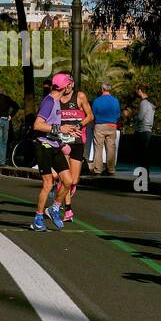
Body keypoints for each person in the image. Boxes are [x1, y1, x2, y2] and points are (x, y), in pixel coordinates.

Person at [30, 74, 80, 230]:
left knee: (68, 181)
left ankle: (55, 208)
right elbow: (37, 125)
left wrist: (66, 133)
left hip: (55, 145)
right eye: (69, 85)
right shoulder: (49, 102)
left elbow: (53, 126)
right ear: (64, 87)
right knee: (48, 184)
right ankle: (38, 219)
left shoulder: (57, 101)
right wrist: (60, 129)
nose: (70, 88)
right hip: (44, 146)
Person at [54, 75, 92, 222]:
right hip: (62, 142)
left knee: (74, 179)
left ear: (73, 84)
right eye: (66, 85)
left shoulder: (80, 96)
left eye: (70, 84)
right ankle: (67, 209)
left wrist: (79, 126)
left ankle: (63, 191)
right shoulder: (56, 98)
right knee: (66, 178)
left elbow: (90, 116)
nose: (68, 87)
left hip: (77, 141)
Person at [90, 81, 122, 175]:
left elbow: (93, 114)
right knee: (111, 147)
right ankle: (111, 169)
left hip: (100, 125)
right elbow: (118, 114)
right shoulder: (115, 100)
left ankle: (98, 169)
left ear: (102, 89)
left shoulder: (97, 100)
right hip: (112, 125)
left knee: (98, 147)